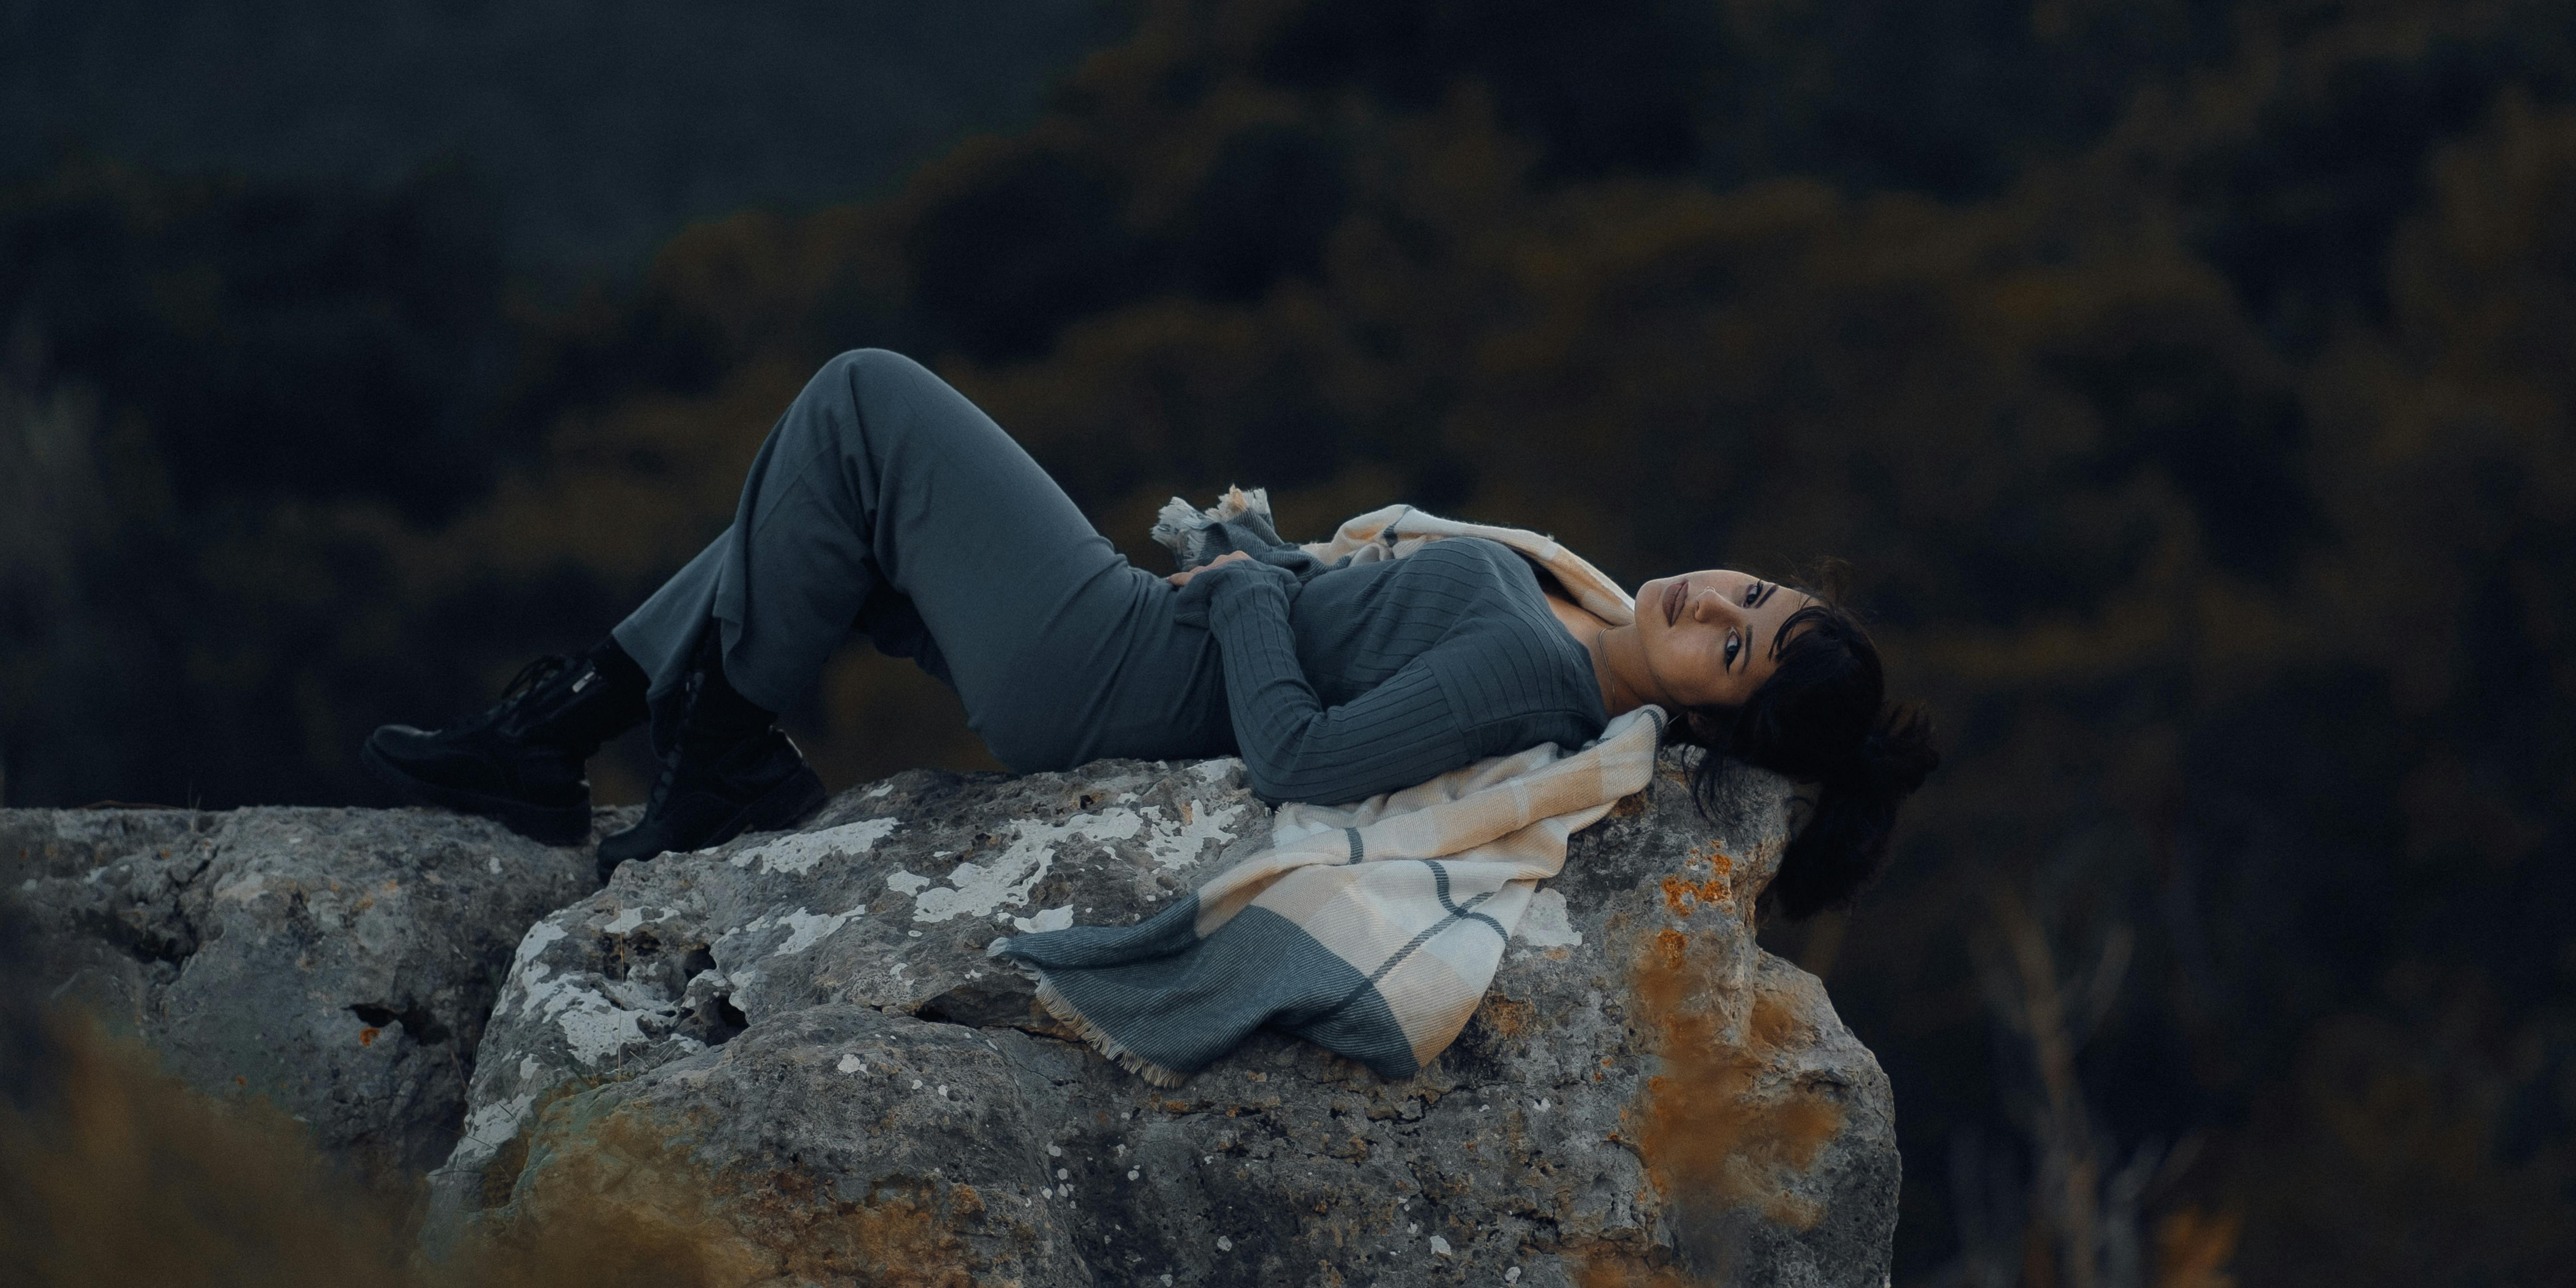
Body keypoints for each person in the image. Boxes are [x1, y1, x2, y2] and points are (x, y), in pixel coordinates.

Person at [363, 351, 1937, 913]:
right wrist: (1266, 562)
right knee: (817, 507)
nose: (1715, 607)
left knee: (861, 398)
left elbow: (1303, 759)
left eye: (1733, 651)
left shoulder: (1532, 670)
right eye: (1755, 597)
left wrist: (1249, 587)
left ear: (1708, 717)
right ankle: (561, 732)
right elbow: (1334, 637)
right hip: (1134, 644)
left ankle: (698, 767)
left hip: (1108, 669)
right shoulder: (1576, 615)